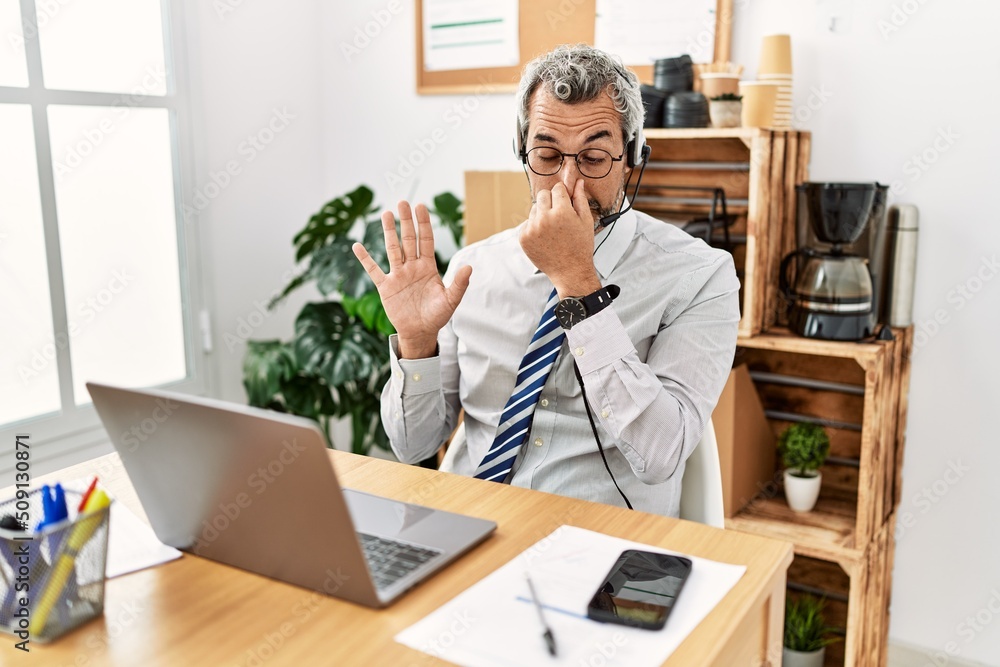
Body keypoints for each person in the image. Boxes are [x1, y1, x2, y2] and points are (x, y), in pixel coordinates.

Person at [352, 44, 739, 516]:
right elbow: (413, 447)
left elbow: (662, 455)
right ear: (522, 153)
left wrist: (579, 283)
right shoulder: (474, 269)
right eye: (548, 154)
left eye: (594, 158)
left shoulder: (700, 276)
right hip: (467, 528)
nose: (567, 182)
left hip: (601, 554)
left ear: (633, 157)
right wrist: (417, 344)